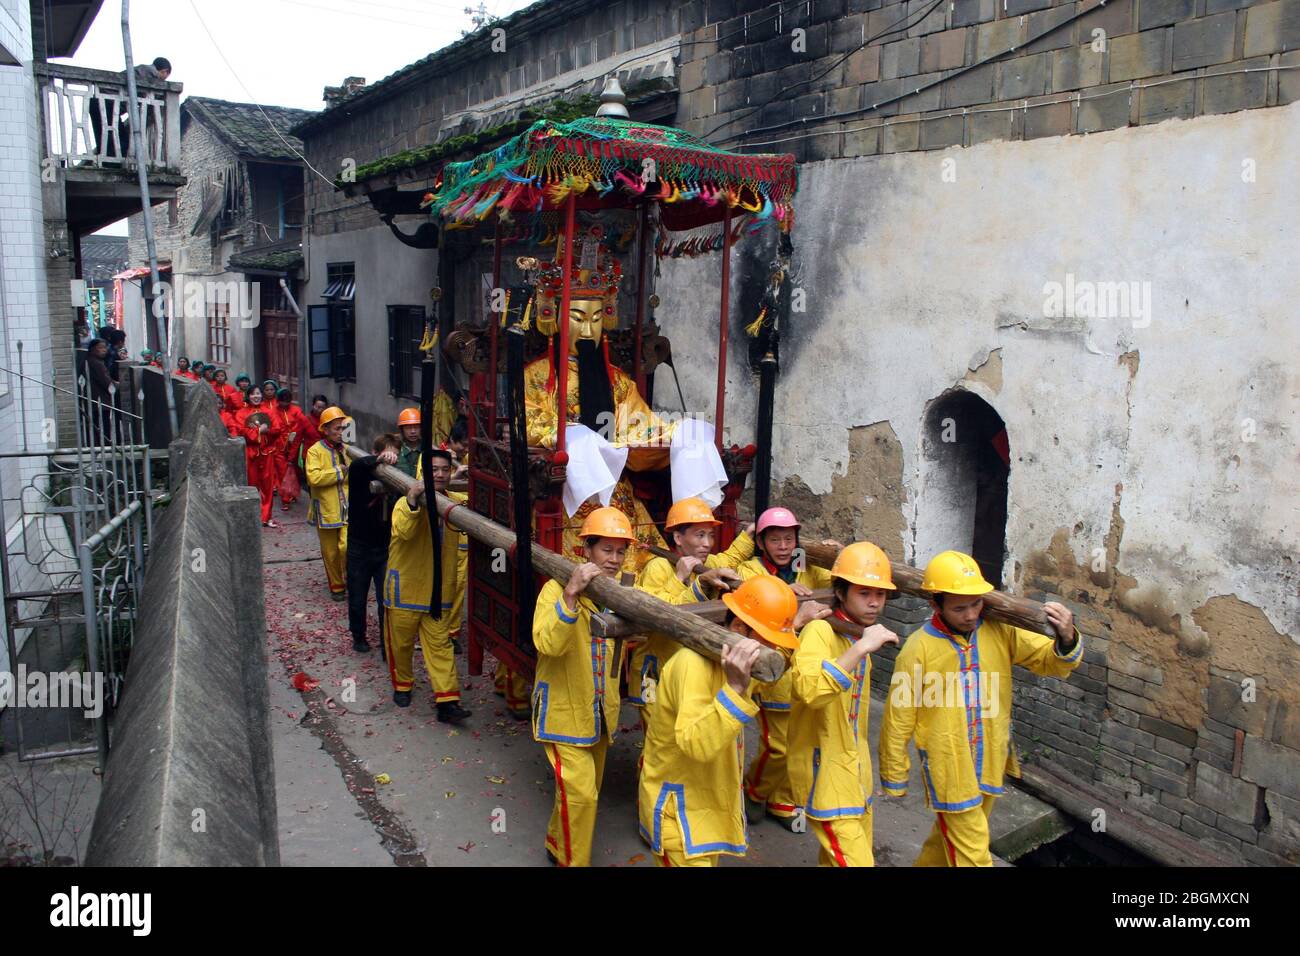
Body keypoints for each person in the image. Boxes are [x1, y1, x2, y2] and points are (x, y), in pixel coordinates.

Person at [522, 231, 730, 572]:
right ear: (555, 316)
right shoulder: (537, 376)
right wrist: (572, 436)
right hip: (562, 490)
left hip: (615, 485)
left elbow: (640, 424)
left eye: (594, 318)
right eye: (576, 318)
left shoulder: (617, 379)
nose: (587, 330)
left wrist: (677, 431)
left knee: (642, 558)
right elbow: (532, 423)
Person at [879, 550, 1082, 867]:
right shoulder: (919, 648)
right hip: (949, 766)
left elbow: (1049, 661)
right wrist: (894, 773)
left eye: (976, 603)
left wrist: (1067, 637)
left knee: (950, 840)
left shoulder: (999, 630)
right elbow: (899, 716)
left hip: (990, 756)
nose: (971, 614)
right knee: (973, 853)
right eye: (960, 608)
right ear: (936, 604)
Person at [638, 575, 825, 867]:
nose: (773, 651)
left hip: (706, 808)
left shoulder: (741, 661)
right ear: (739, 628)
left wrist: (795, 625)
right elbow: (696, 745)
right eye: (769, 642)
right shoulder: (692, 665)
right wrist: (735, 690)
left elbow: (767, 676)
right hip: (680, 812)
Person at [530, 506, 633, 867]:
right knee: (583, 797)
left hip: (600, 715)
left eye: (621, 551)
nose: (614, 559)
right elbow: (547, 644)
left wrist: (692, 580)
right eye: (606, 550)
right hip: (562, 714)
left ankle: (558, 843)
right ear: (586, 549)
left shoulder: (620, 594)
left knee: (578, 793)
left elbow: (660, 610)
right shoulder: (555, 592)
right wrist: (571, 595)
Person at [789, 542, 901, 867]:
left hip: (856, 774)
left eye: (880, 594)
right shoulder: (820, 631)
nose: (874, 602)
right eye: (864, 593)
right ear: (840, 591)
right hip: (823, 773)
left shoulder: (859, 635)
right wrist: (860, 649)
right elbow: (809, 690)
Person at [736, 506, 843, 829]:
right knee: (779, 746)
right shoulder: (750, 570)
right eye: (775, 539)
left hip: (808, 664)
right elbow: (750, 604)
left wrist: (835, 557)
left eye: (789, 538)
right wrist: (784, 593)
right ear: (763, 542)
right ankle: (755, 790)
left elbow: (834, 583)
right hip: (773, 669)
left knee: (800, 744)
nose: (783, 546)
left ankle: (782, 797)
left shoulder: (801, 564)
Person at [629, 498, 753, 715]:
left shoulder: (707, 565)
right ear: (678, 537)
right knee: (659, 737)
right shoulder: (658, 567)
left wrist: (749, 536)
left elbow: (729, 559)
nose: (707, 543)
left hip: (689, 667)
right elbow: (655, 613)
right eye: (700, 535)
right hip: (655, 668)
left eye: (710, 535)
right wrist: (679, 578)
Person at [382, 448, 471, 723]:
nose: (440, 474)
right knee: (401, 645)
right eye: (434, 470)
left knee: (441, 647)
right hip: (405, 591)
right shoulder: (404, 504)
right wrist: (411, 499)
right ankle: (403, 685)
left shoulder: (457, 505)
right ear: (423, 473)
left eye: (445, 469)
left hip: (438, 595)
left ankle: (447, 701)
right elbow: (404, 533)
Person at [347, 434, 400, 654]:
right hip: (358, 547)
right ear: (376, 453)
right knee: (357, 597)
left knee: (385, 599)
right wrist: (377, 460)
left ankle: (385, 640)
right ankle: (358, 636)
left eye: (394, 456)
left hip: (384, 549)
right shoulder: (360, 473)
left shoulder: (398, 480)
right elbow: (358, 463)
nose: (390, 460)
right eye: (386, 454)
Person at [305, 406, 352, 600]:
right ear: (325, 429)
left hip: (348, 506)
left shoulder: (349, 450)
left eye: (343, 428)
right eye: (336, 428)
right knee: (330, 551)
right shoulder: (314, 452)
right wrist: (339, 472)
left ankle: (350, 578)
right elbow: (313, 478)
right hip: (325, 508)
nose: (341, 432)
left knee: (346, 546)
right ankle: (337, 585)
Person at [235, 386, 283, 528]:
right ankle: (255, 516)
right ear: (248, 396)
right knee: (252, 484)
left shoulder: (269, 411)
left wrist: (266, 431)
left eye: (258, 393)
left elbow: (278, 429)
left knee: (268, 486)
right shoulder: (241, 413)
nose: (256, 396)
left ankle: (266, 517)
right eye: (253, 394)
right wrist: (258, 432)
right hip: (251, 454)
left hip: (267, 453)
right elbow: (240, 431)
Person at [268, 388, 310, 511]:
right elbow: (272, 428)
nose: (285, 404)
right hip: (278, 446)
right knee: (282, 472)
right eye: (282, 401)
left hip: (294, 445)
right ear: (278, 400)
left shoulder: (296, 410)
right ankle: (285, 499)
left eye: (287, 401)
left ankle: (293, 493)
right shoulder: (272, 411)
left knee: (295, 471)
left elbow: (302, 424)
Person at [394, 407, 422, 478]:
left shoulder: (427, 448)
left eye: (416, 427)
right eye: (408, 428)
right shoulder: (394, 446)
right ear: (402, 430)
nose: (413, 431)